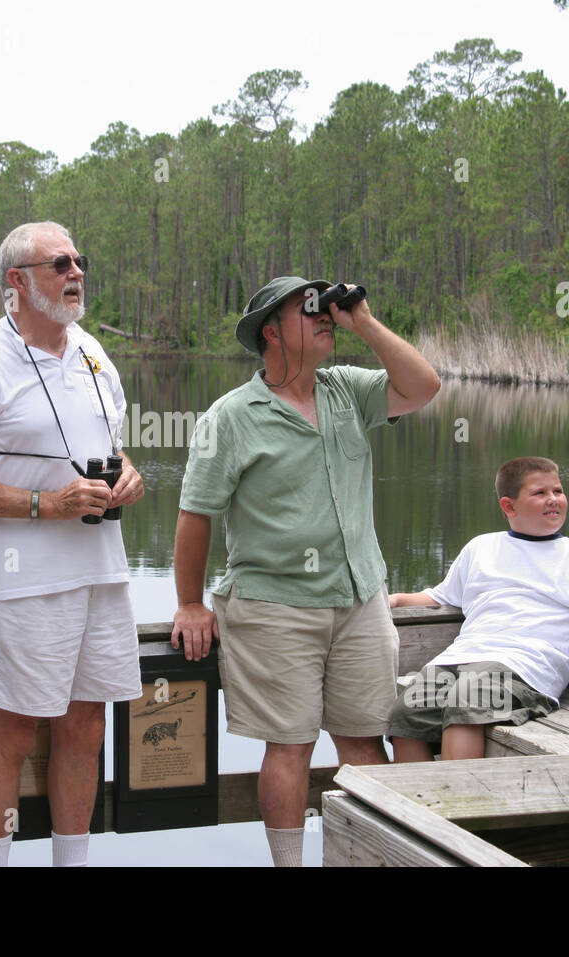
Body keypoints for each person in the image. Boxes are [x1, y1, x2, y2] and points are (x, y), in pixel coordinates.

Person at [172, 276, 441, 866]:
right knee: (290, 747)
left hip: (359, 599)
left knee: (363, 741)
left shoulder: (348, 390)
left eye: (328, 307)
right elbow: (196, 516)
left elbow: (423, 387)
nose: (325, 317)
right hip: (274, 606)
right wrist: (190, 603)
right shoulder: (231, 417)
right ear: (271, 331)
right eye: (309, 309)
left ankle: (379, 859)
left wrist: (363, 322)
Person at [0, 221, 145, 867]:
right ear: (16, 283)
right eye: (59, 263)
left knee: (86, 728)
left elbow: (109, 447)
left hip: (102, 573)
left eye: (79, 258)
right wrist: (44, 505)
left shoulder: (93, 354)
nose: (75, 270)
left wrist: (128, 472)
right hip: (25, 581)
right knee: (14, 733)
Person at [386, 456, 569, 762]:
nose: (553, 500)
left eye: (558, 491)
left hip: (526, 668)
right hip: (462, 659)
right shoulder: (481, 548)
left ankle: (456, 802)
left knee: (467, 700)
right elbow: (442, 595)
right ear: (509, 507)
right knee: (407, 711)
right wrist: (396, 600)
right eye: (540, 493)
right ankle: (417, 801)